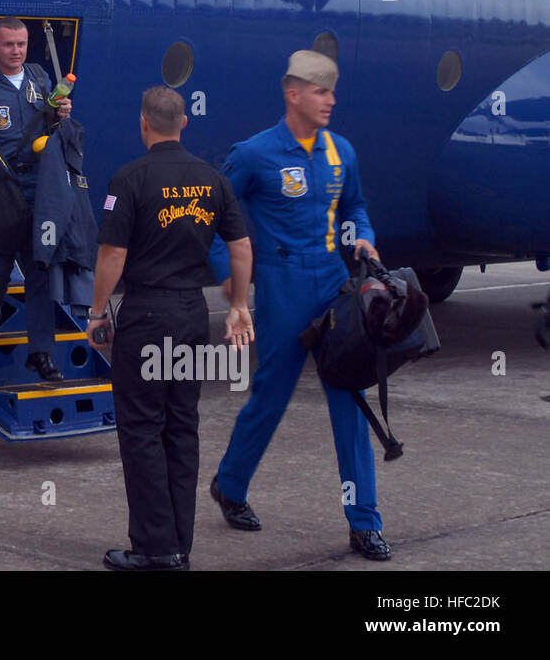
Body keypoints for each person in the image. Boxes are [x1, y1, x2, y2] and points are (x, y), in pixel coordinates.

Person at [208, 50, 392, 561]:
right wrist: (230, 279)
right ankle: (230, 484)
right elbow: (213, 215)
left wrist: (363, 239)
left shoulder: (341, 151)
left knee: (350, 398)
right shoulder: (254, 154)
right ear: (293, 94)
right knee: (271, 395)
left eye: (332, 91)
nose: (331, 100)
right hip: (282, 285)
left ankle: (364, 521)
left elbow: (355, 207)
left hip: (333, 283)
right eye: (320, 91)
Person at [86, 85, 253, 572]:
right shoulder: (212, 179)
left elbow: (112, 254)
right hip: (191, 314)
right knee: (182, 426)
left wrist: (97, 313)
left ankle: (155, 548)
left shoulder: (128, 179)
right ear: (184, 123)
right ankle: (180, 543)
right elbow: (241, 247)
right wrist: (239, 305)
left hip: (147, 315)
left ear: (143, 123)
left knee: (142, 429)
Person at [0, 17, 71, 381]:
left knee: (40, 267)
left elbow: (49, 121)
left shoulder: (39, 77)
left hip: (39, 183)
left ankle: (41, 352)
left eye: (21, 44)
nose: (16, 51)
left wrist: (60, 113)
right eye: (8, 44)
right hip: (0, 182)